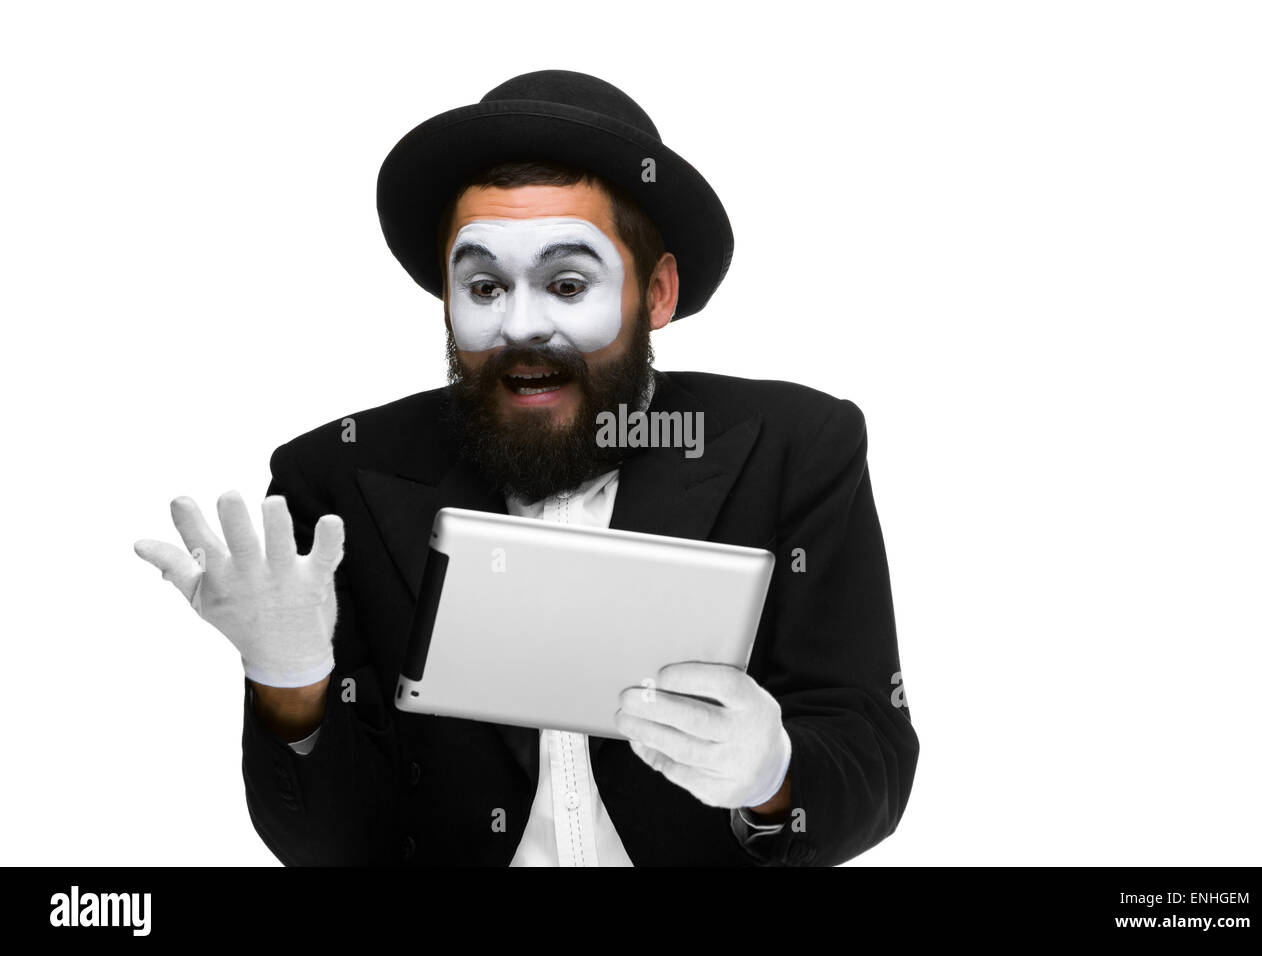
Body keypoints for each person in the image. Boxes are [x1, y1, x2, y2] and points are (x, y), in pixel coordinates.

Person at [134, 70, 919, 866]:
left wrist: (772, 773)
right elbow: (336, 847)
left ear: (655, 294)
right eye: (483, 285)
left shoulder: (798, 448)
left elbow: (874, 761)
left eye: (568, 282)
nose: (519, 324)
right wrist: (291, 682)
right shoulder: (332, 480)